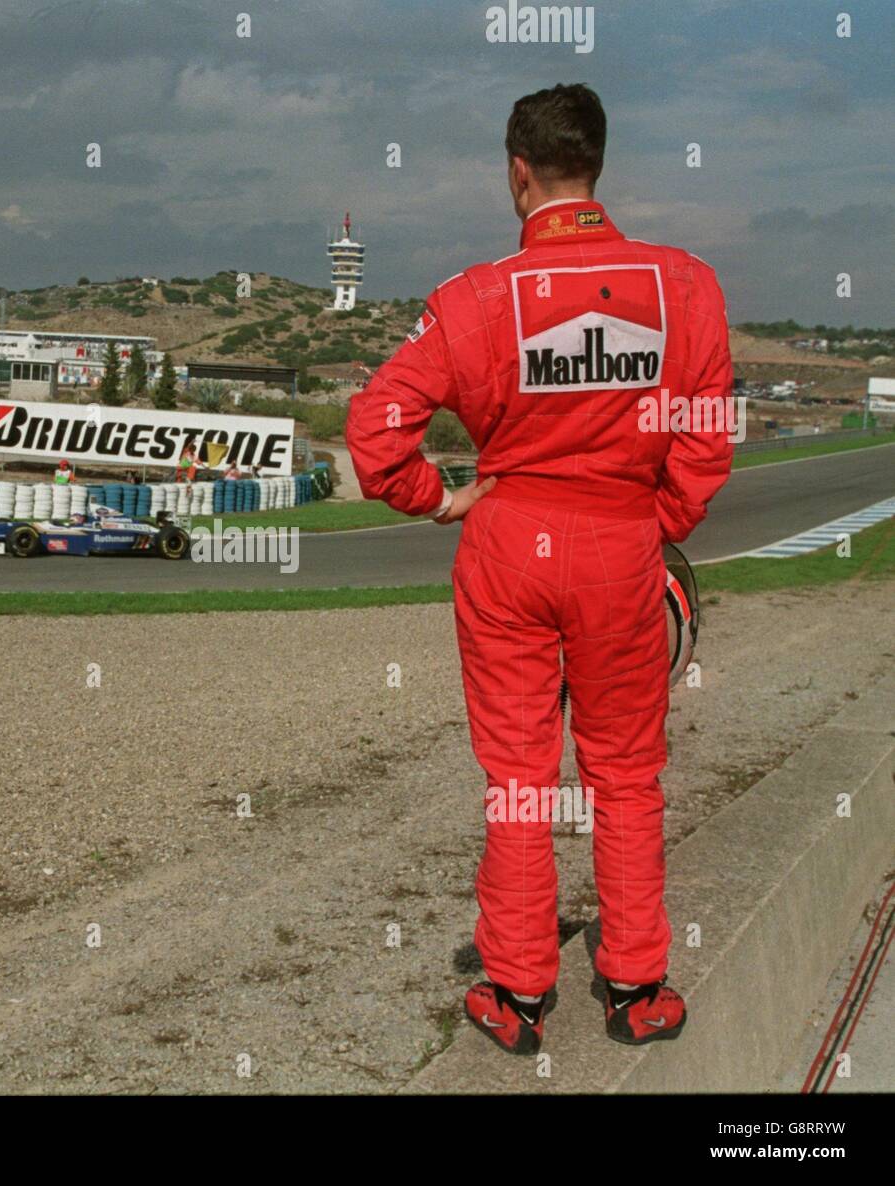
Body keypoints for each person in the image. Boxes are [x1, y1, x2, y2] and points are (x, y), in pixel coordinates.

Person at [345, 84, 733, 1057]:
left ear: (517, 174)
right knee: (628, 775)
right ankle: (636, 983)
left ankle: (517, 992)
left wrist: (437, 497)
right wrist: (658, 521)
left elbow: (373, 432)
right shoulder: (684, 285)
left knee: (520, 778)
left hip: (509, 547)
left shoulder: (472, 299)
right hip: (619, 546)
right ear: (595, 165)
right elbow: (707, 432)